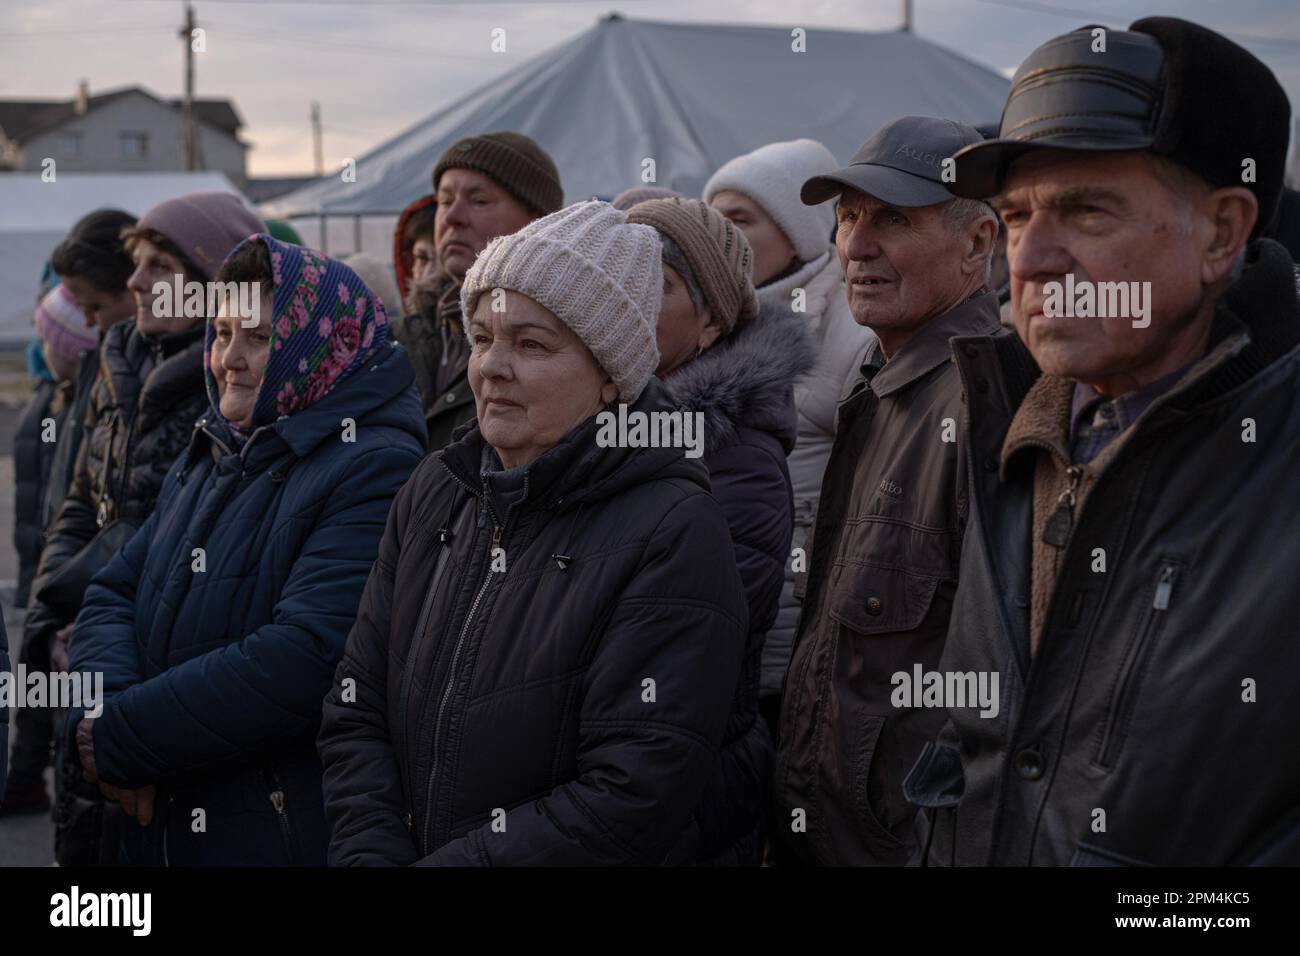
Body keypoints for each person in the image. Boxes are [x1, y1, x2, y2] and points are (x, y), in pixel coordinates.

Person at [908, 17, 1300, 866]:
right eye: (1014, 216)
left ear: (1223, 232)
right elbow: (972, 751)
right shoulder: (1010, 422)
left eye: (1087, 210)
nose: (1033, 256)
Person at [318, 201, 749, 866]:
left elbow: (634, 788)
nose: (491, 366)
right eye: (483, 337)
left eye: (532, 344)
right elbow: (356, 704)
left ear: (612, 378)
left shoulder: (672, 530)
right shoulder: (437, 489)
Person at [66, 236, 425, 865]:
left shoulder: (374, 465)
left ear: (322, 347)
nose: (228, 357)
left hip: (270, 833)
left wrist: (121, 736)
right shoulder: (220, 445)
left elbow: (305, 659)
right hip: (163, 819)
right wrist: (104, 713)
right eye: (224, 331)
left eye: (259, 338)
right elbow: (114, 589)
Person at [773, 117, 1000, 866]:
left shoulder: (985, 404)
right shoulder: (876, 386)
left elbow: (994, 698)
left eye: (893, 219)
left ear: (978, 243)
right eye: (847, 217)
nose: (857, 246)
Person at [31, 191, 263, 865]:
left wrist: (100, 608)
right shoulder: (114, 357)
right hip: (83, 638)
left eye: (159, 266)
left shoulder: (235, 375)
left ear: (212, 277)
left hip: (164, 658)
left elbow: (197, 536)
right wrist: (56, 598)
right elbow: (79, 496)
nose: (134, 282)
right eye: (136, 264)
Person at [622, 197, 811, 864]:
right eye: (616, 276)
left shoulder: (739, 462)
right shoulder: (585, 426)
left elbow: (685, 655)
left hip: (681, 802)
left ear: (708, 323)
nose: (628, 298)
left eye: (659, 285)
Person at [704, 139, 876, 735]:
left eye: (740, 220)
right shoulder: (709, 325)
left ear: (801, 234)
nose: (721, 235)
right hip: (720, 626)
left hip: (804, 631)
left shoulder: (853, 332)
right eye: (712, 219)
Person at [2, 210, 137, 819]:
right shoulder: (70, 392)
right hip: (56, 562)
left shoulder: (114, 378)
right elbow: (69, 492)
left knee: (78, 720)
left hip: (78, 577)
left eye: (89, 303)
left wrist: (60, 574)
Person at [389, 132, 564, 450]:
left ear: (539, 221)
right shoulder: (396, 339)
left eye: (479, 201)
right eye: (444, 200)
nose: (452, 217)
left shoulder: (562, 344)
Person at [14, 286, 96, 608]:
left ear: (66, 348)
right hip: (41, 556)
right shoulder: (56, 399)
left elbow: (51, 478)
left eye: (46, 340)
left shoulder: (63, 408)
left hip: (49, 557)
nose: (41, 348)